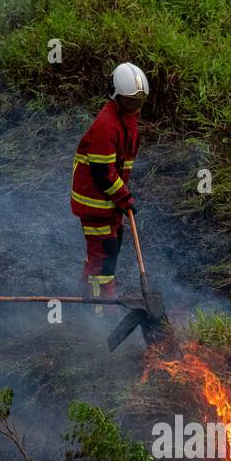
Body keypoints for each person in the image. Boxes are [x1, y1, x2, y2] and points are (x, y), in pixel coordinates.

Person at [70, 62, 149, 303]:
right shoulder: (107, 126)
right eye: (129, 102)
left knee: (105, 253)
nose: (134, 108)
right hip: (96, 205)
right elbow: (103, 172)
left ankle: (87, 292)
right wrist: (124, 197)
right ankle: (99, 311)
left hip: (110, 204)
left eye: (139, 102)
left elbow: (118, 167)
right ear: (115, 96)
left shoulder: (127, 120)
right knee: (104, 260)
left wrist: (121, 199)